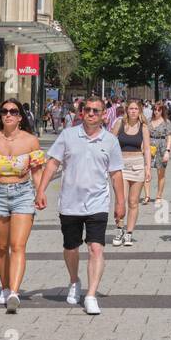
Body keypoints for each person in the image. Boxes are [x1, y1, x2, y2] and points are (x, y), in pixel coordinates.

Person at [35, 97, 124, 316]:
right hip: (70, 202)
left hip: (98, 203)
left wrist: (121, 202)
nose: (92, 113)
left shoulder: (110, 141)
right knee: (71, 247)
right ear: (82, 112)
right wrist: (40, 190)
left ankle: (91, 295)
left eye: (96, 110)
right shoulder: (67, 135)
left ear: (104, 114)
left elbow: (116, 173)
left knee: (96, 247)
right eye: (88, 110)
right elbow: (53, 163)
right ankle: (74, 281)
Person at [0, 99, 45, 313]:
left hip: (23, 193)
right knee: (1, 247)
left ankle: (14, 293)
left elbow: (36, 171)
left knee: (18, 245)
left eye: (13, 112)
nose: (8, 115)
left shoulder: (31, 141)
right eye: (4, 111)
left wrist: (40, 192)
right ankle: (4, 287)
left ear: (20, 117)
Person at [110, 100, 150, 246]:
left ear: (139, 111)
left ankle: (129, 232)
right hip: (121, 165)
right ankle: (119, 229)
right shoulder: (119, 124)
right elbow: (111, 142)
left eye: (136, 109)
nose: (133, 111)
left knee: (133, 201)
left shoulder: (143, 127)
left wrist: (147, 168)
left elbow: (146, 149)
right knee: (121, 199)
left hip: (137, 164)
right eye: (131, 109)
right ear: (127, 110)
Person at [149, 101, 171, 207]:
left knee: (160, 173)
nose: (156, 111)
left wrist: (167, 151)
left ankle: (159, 196)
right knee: (146, 171)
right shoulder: (149, 121)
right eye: (155, 109)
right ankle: (147, 195)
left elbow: (169, 137)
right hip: (150, 147)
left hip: (162, 147)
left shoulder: (166, 122)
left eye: (159, 110)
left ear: (162, 110)